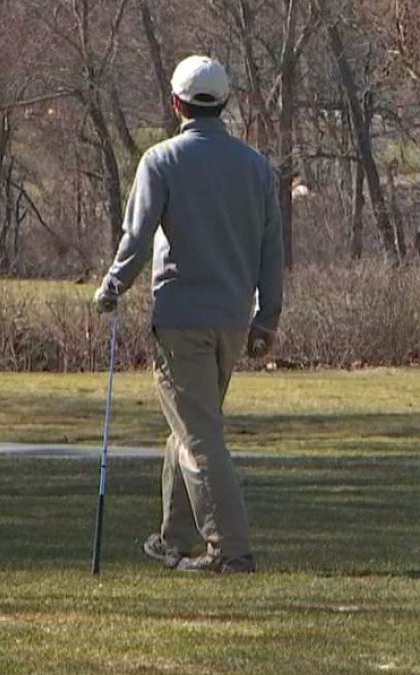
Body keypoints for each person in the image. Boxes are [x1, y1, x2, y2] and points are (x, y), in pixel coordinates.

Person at [93, 55, 283, 573]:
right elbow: (272, 249)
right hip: (234, 320)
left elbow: (136, 237)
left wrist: (112, 286)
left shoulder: (162, 160)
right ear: (224, 103)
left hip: (182, 319)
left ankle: (231, 550)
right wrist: (268, 318)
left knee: (199, 438)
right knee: (189, 427)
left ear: (177, 104)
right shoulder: (256, 166)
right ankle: (174, 537)